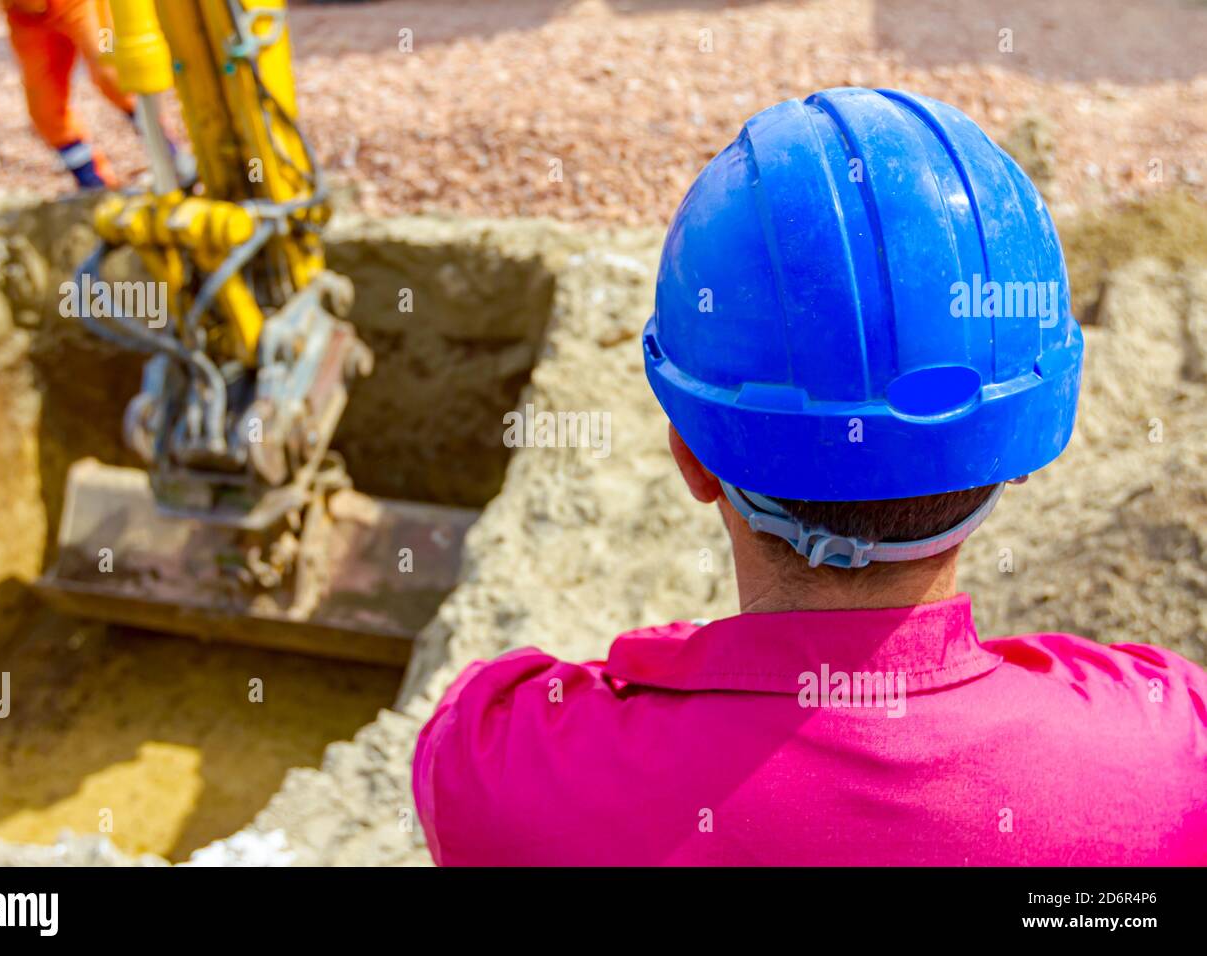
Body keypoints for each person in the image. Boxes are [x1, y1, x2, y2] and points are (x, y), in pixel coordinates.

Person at [411, 88, 1207, 865]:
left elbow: (466, 728)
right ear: (1016, 454)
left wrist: (681, 666)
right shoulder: (1169, 757)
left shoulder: (502, 770)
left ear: (691, 458)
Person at [0, 0, 135, 189]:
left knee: (112, 72)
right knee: (44, 110)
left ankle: (164, 151)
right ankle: (95, 184)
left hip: (78, 5)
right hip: (27, 19)